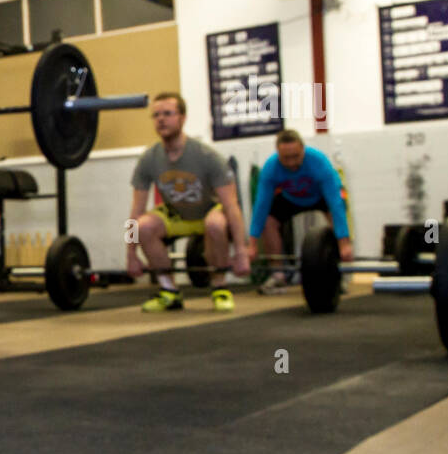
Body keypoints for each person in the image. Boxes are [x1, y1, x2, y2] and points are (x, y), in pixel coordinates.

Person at [126, 92, 250, 312]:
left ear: (182, 118)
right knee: (144, 226)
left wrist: (241, 251)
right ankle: (169, 291)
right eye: (155, 115)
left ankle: (220, 287)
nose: (161, 119)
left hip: (209, 212)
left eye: (167, 113)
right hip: (177, 214)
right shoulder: (149, 158)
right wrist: (131, 254)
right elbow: (135, 212)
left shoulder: (207, 156)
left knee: (215, 223)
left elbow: (232, 207)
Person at [247, 129, 354, 293]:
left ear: (303, 149)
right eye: (286, 158)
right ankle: (278, 277)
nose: (291, 163)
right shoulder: (271, 168)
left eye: (295, 156)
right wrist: (252, 244)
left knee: (335, 215)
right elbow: (261, 206)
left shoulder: (319, 162)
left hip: (321, 196)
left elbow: (335, 203)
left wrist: (344, 242)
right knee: (269, 221)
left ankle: (341, 274)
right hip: (291, 198)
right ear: (278, 153)